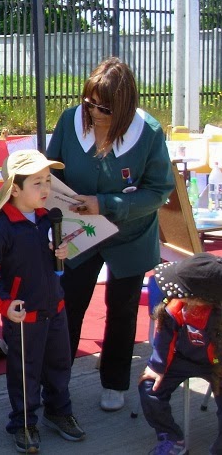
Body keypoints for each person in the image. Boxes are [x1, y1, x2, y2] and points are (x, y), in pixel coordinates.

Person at [45, 57, 175, 412]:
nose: (94, 112)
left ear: (124, 107)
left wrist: (106, 203)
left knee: (122, 308)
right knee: (68, 304)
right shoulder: (71, 121)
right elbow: (50, 170)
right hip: (77, 233)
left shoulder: (147, 132)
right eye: (89, 102)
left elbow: (159, 190)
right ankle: (56, 381)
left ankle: (115, 382)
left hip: (129, 235)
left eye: (104, 107)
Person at [0, 149, 85, 453]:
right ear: (15, 188)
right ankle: (23, 422)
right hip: (24, 317)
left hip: (55, 309)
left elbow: (49, 263)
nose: (46, 189)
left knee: (60, 364)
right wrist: (4, 305)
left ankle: (59, 411)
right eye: (37, 183)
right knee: (26, 372)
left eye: (48, 181)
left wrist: (59, 255)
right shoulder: (0, 227)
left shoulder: (47, 218)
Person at [139, 253, 222, 455]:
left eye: (181, 289)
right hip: (182, 358)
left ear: (201, 298)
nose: (174, 292)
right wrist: (156, 367)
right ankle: (171, 437)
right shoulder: (176, 306)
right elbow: (164, 340)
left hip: (217, 365)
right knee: (149, 386)